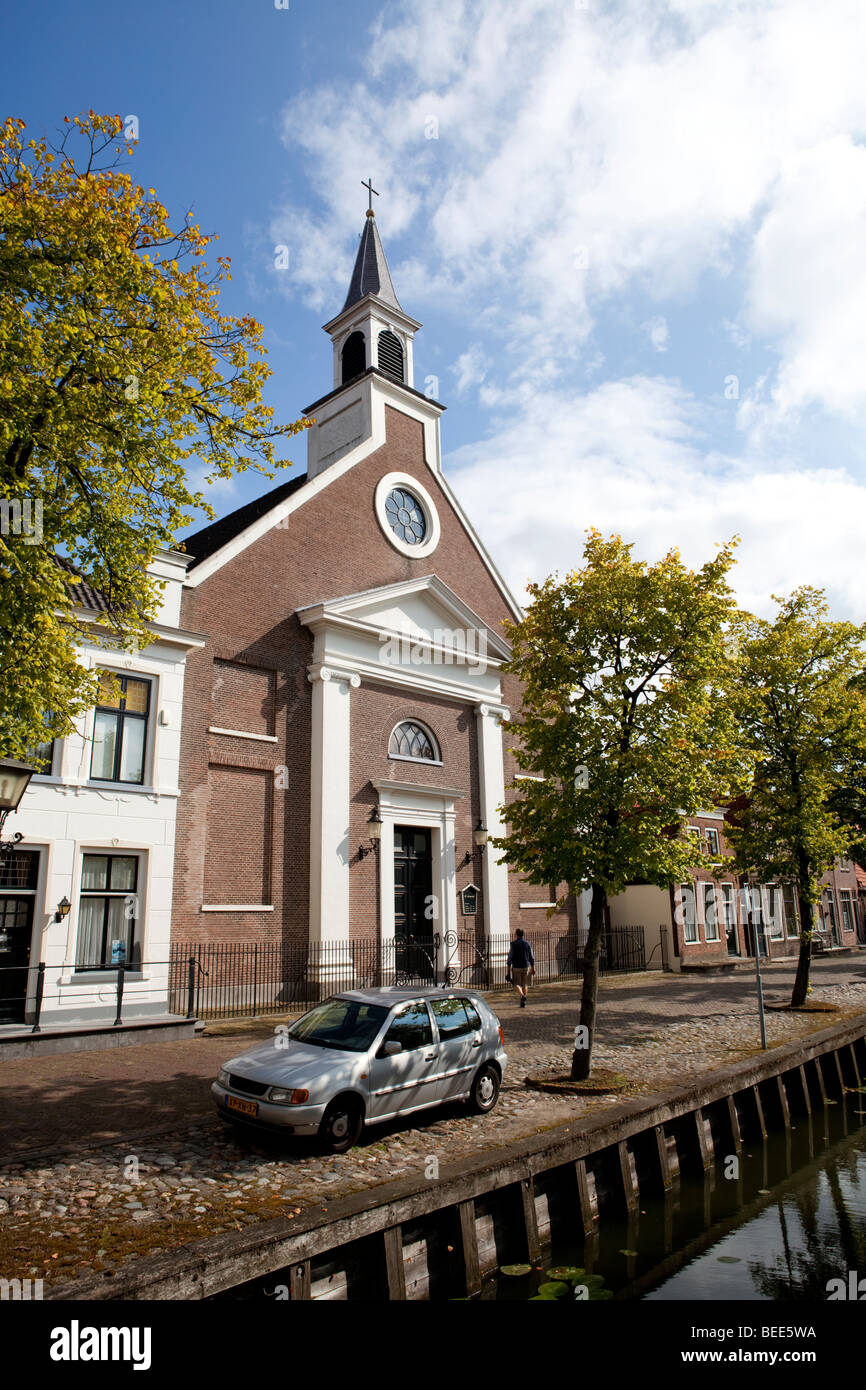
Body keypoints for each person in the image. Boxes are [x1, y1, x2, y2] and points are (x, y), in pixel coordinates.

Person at [507, 928, 535, 1007]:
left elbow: (510, 958)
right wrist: (533, 967)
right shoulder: (527, 943)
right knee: (525, 984)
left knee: (516, 984)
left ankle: (522, 996)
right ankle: (523, 1002)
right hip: (526, 966)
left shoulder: (513, 944)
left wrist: (508, 970)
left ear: (516, 934)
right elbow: (531, 956)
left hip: (516, 967)